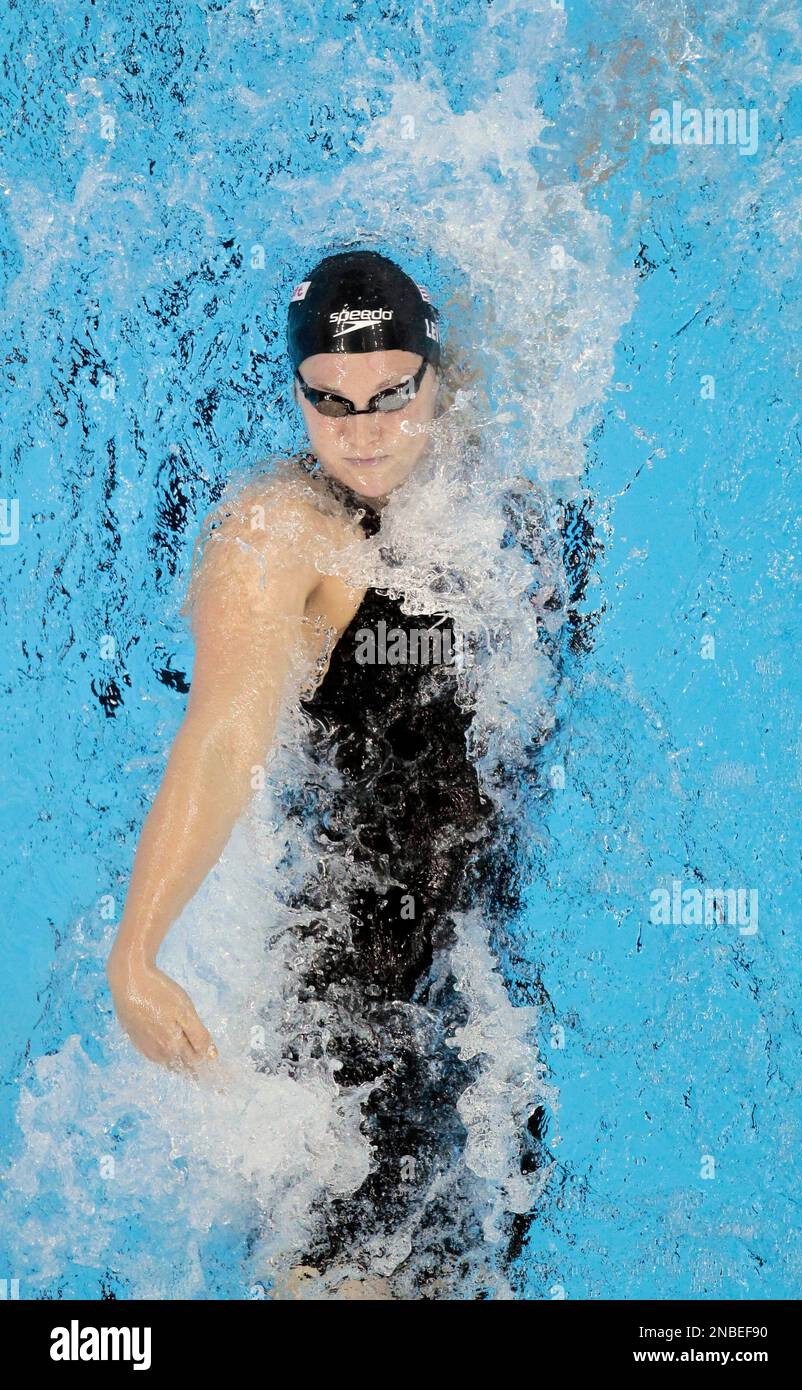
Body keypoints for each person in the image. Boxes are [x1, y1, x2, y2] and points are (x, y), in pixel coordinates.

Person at [107, 249, 545, 1298]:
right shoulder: (277, 534)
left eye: (392, 394)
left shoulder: (462, 468)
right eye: (328, 403)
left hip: (477, 982)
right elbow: (218, 738)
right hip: (350, 991)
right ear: (296, 393)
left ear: (436, 376)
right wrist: (136, 950)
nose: (362, 432)